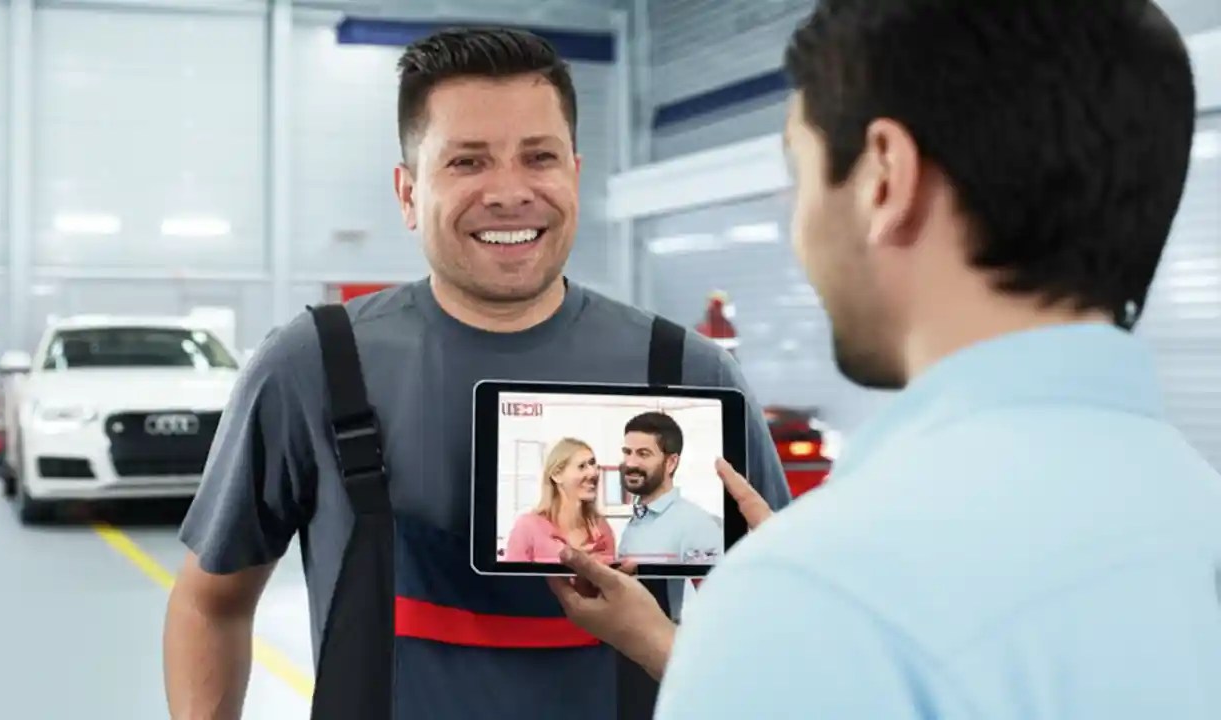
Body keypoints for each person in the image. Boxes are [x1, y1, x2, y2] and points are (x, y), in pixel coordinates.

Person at [547, 1, 1221, 718]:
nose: (795, 220)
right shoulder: (1194, 516)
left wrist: (775, 613)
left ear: (884, 178)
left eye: (799, 172)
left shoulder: (812, 598)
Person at [160, 26, 791, 720]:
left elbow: (781, 649)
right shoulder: (312, 367)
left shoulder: (689, 377)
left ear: (574, 176)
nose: (509, 192)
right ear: (407, 194)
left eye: (539, 157)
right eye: (467, 162)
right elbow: (210, 602)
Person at [617, 412, 722, 564]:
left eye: (643, 454)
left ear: (671, 463)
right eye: (627, 452)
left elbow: (709, 586)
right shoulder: (636, 522)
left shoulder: (697, 525)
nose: (631, 463)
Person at [503, 437, 617, 563]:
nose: (593, 472)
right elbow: (512, 580)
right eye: (582, 466)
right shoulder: (528, 527)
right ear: (557, 475)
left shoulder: (602, 529)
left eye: (592, 464)